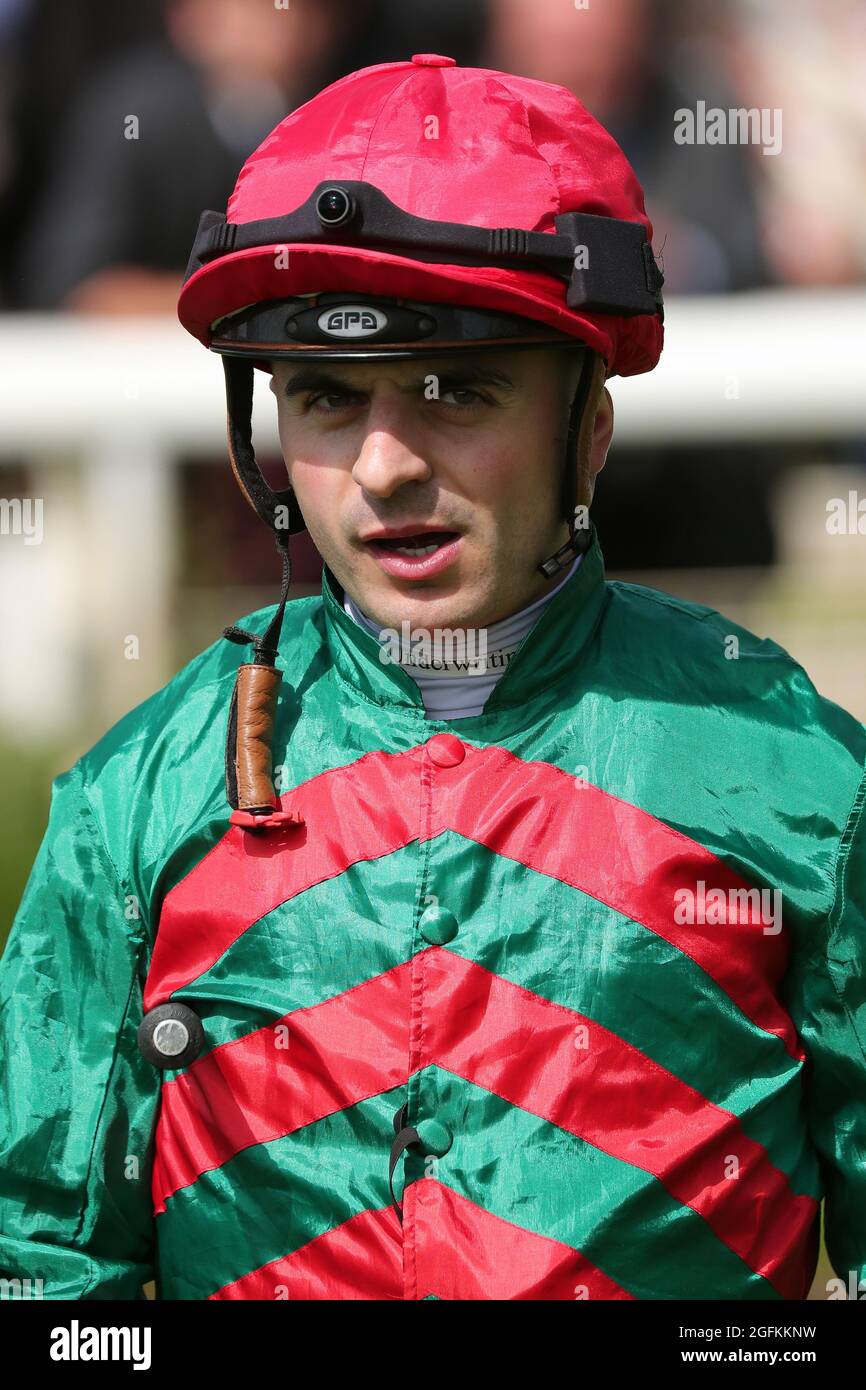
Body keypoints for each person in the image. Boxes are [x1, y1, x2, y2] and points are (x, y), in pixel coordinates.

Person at [1, 54, 864, 1302]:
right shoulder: (136, 799)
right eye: (326, 398)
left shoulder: (794, 777)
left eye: (455, 390)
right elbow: (42, 1278)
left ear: (590, 423)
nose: (386, 464)